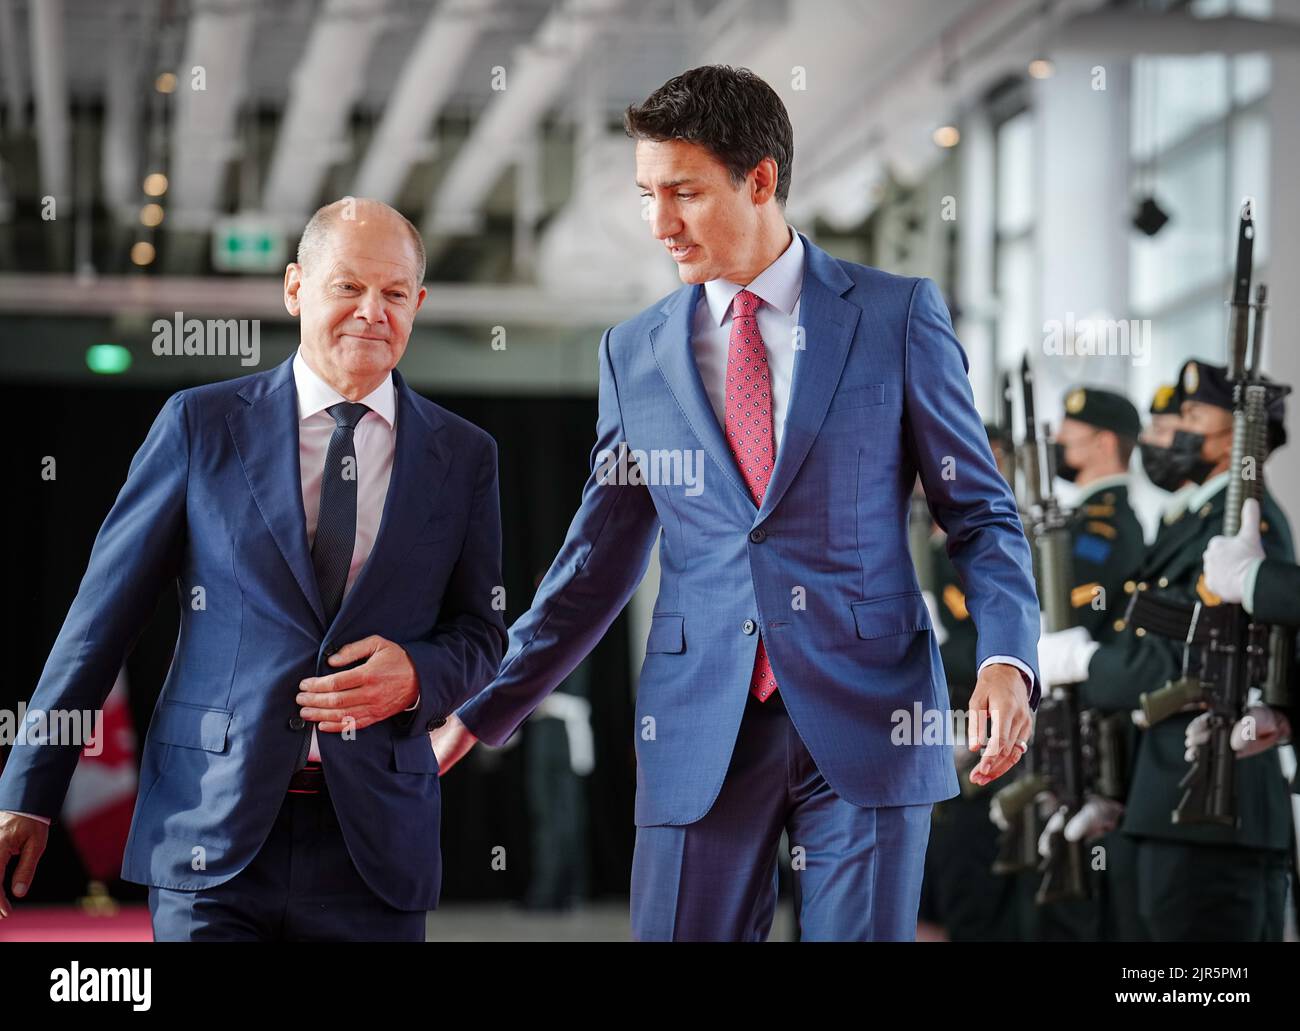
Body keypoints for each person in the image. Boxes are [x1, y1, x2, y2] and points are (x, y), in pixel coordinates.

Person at [433, 64, 1042, 941]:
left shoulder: (898, 316)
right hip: (696, 720)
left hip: (870, 717)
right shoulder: (632, 354)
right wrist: (486, 704)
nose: (658, 224)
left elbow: (979, 514)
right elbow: (595, 560)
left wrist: (1005, 658)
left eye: (681, 192)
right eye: (647, 194)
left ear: (760, 179)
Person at [0, 198, 507, 941]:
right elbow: (98, 621)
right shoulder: (200, 425)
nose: (372, 311)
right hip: (212, 834)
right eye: (348, 286)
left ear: (419, 303)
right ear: (296, 287)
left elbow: (482, 633)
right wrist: (29, 789)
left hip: (374, 848)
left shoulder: (464, 456)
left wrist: (419, 675)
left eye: (395, 293)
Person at [1038, 358, 1293, 941]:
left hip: (1215, 807)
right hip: (1166, 798)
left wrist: (1090, 665)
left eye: (1191, 416)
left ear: (1239, 435)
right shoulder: (1194, 524)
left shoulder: (1244, 529)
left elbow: (1200, 658)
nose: (1171, 432)